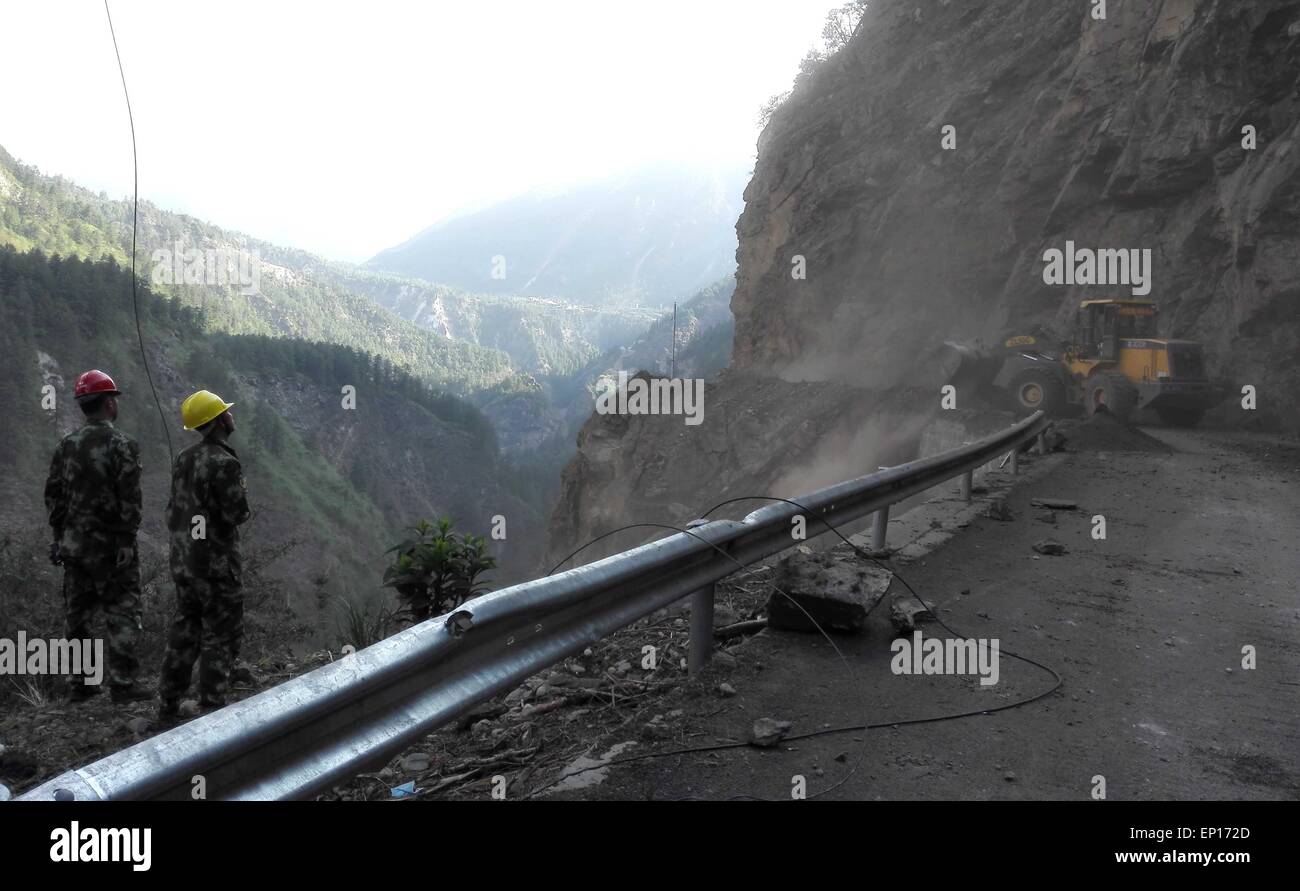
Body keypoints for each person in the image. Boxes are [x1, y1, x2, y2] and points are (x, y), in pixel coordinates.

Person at [43, 369, 150, 703]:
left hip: (75, 548)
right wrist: (124, 539)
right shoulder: (122, 444)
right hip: (111, 548)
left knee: (78, 617)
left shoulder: (66, 446)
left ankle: (82, 684)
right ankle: (123, 684)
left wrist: (59, 537)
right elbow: (130, 497)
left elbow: (54, 496)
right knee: (122, 611)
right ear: (108, 404)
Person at [158, 390, 250, 718]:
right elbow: (236, 514)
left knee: (185, 627)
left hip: (184, 561)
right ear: (219, 421)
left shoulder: (184, 459)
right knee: (220, 632)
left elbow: (176, 509)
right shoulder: (225, 463)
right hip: (216, 564)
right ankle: (211, 705)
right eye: (227, 412)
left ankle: (169, 700)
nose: (232, 415)